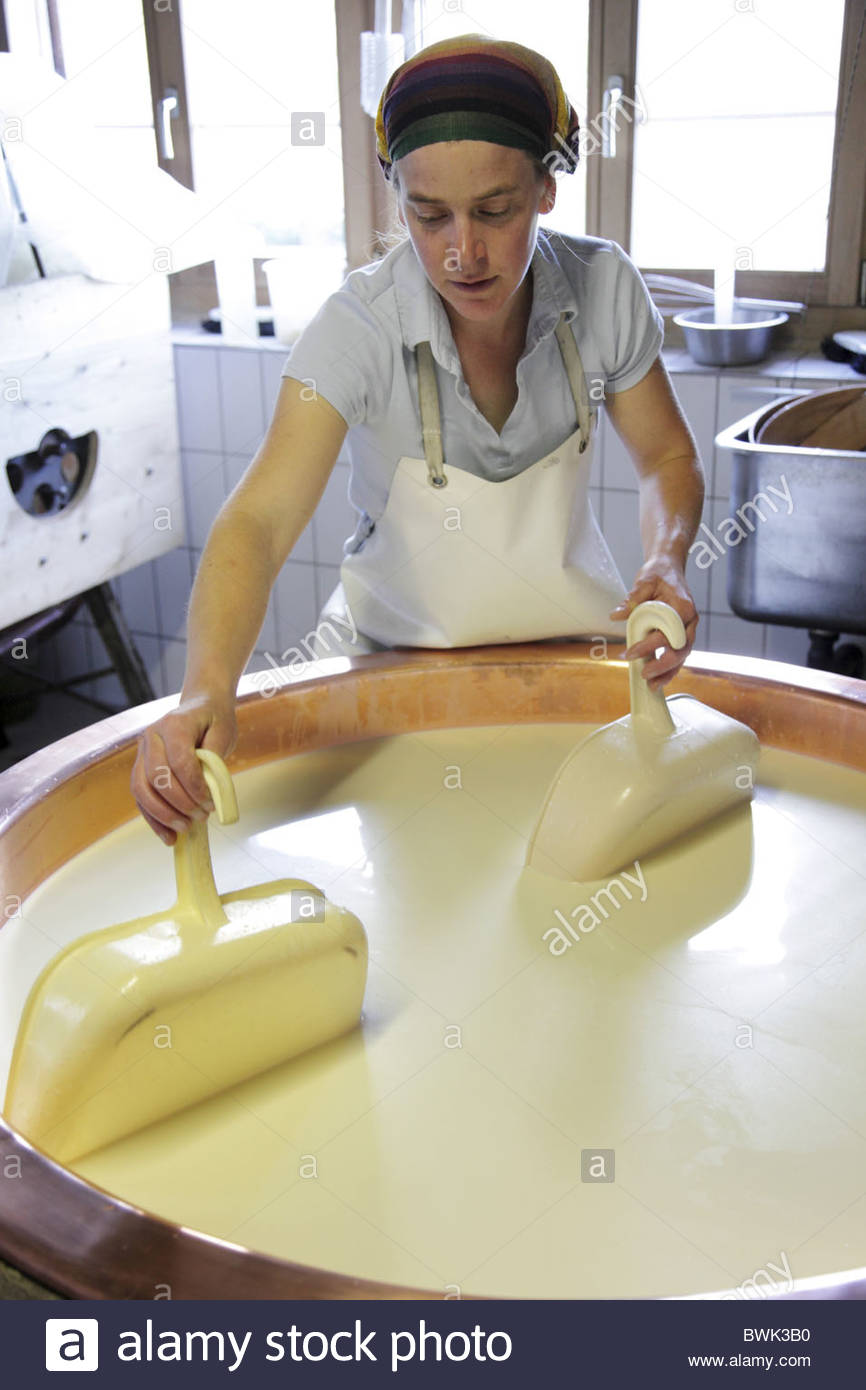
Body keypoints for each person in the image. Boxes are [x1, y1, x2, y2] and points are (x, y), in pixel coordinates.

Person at [132, 34, 703, 846]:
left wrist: (665, 561)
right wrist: (204, 689)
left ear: (546, 187)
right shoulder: (357, 327)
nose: (460, 251)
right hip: (392, 677)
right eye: (427, 215)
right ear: (396, 195)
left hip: (576, 666)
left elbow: (667, 457)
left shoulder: (605, 288)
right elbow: (257, 523)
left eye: (495, 211)